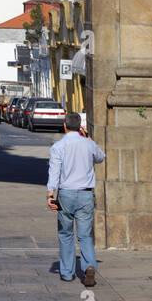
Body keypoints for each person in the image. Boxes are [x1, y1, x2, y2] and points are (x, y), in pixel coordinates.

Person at [46, 111, 105, 285]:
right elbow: (101, 157)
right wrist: (88, 138)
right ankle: (89, 266)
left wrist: (50, 195)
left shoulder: (58, 147)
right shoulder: (88, 144)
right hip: (86, 194)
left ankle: (66, 272)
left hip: (66, 194)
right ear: (80, 127)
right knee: (85, 235)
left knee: (65, 234)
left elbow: (54, 172)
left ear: (64, 125)